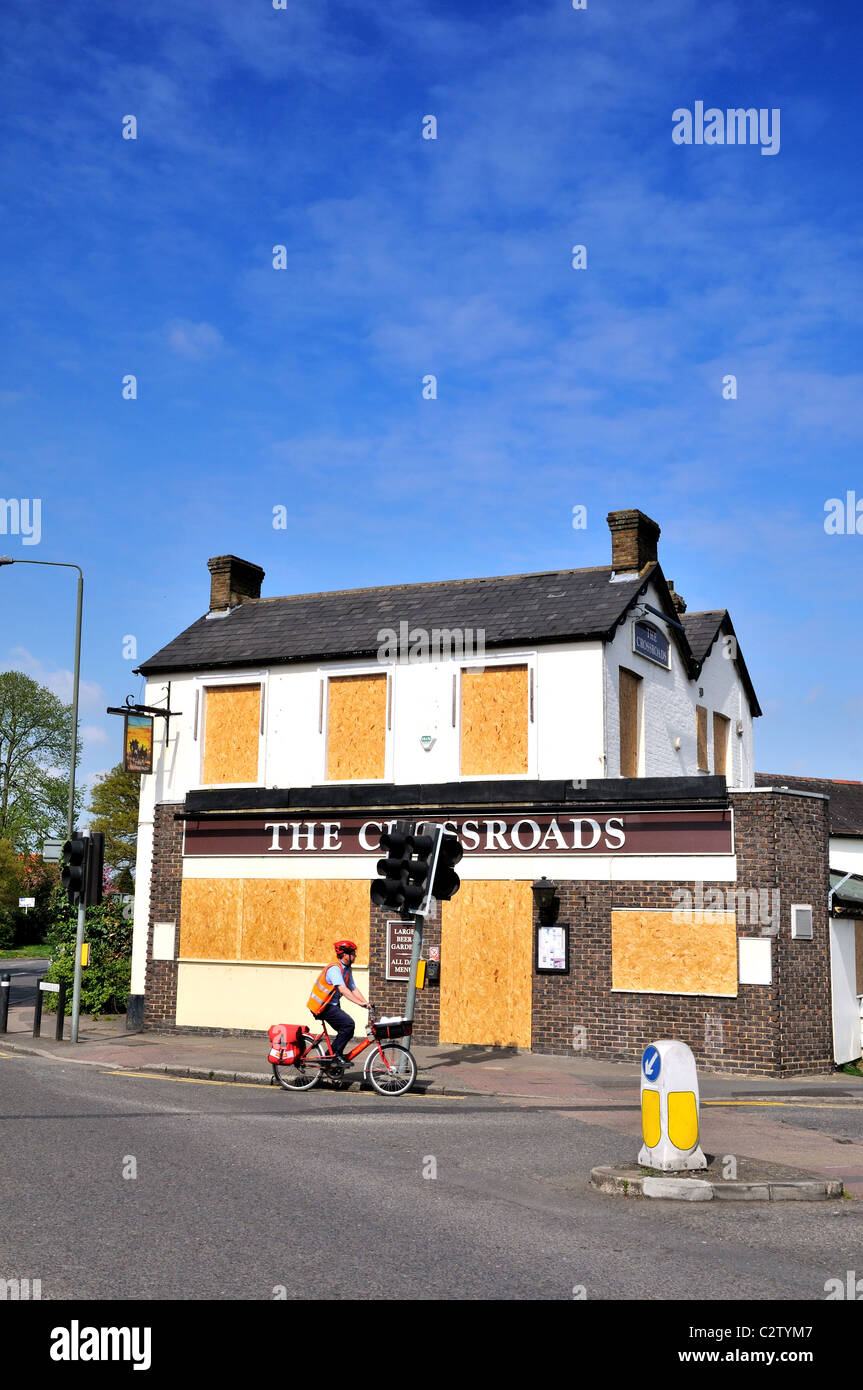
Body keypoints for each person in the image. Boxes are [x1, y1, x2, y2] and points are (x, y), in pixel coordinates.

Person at [306, 940, 369, 1068]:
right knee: (348, 1024)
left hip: (331, 1005)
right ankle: (335, 1055)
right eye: (353, 953)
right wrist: (360, 1004)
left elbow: (353, 988)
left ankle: (330, 1056)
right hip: (323, 1006)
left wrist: (366, 1003)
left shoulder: (346, 969)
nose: (355, 956)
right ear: (345, 955)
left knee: (347, 1030)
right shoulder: (335, 969)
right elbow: (343, 989)